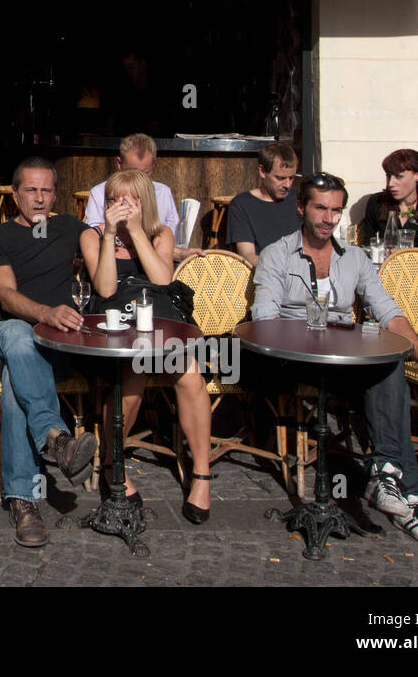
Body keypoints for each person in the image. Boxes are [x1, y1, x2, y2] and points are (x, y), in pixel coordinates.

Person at [251, 171, 418, 549]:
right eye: (320, 208)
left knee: (390, 365)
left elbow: (391, 315)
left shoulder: (356, 259)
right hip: (292, 361)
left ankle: (390, 481)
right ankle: (413, 499)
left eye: (336, 210)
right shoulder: (276, 255)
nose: (328, 218)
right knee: (383, 372)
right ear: (301, 208)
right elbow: (266, 323)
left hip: (342, 361)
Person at [0, 157, 100, 548]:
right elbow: (7, 297)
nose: (40, 198)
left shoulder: (70, 229)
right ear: (15, 195)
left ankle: (24, 500)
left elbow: (113, 254)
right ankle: (55, 436)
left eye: (46, 190)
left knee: (17, 380)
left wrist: (177, 252)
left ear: (56, 194)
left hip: (51, 351)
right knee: (18, 335)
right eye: (31, 190)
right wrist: (46, 312)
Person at [89, 168, 213, 523]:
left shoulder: (161, 234)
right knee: (132, 377)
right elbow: (106, 290)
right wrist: (112, 232)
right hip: (119, 324)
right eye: (113, 199)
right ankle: (114, 461)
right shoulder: (95, 235)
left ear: (143, 203)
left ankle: (202, 475)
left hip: (159, 323)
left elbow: (161, 280)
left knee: (190, 377)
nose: (119, 206)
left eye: (128, 200)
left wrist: (136, 231)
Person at [84, 132, 202, 263]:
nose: (139, 178)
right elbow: (95, 242)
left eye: (145, 173)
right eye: (132, 172)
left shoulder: (162, 192)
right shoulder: (100, 192)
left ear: (153, 165)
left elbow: (171, 240)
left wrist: (180, 254)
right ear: (119, 164)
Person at [226, 142, 300, 266]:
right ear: (262, 171)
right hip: (266, 275)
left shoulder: (299, 199)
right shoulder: (242, 205)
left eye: (291, 178)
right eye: (280, 178)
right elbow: (247, 255)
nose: (287, 185)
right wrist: (283, 270)